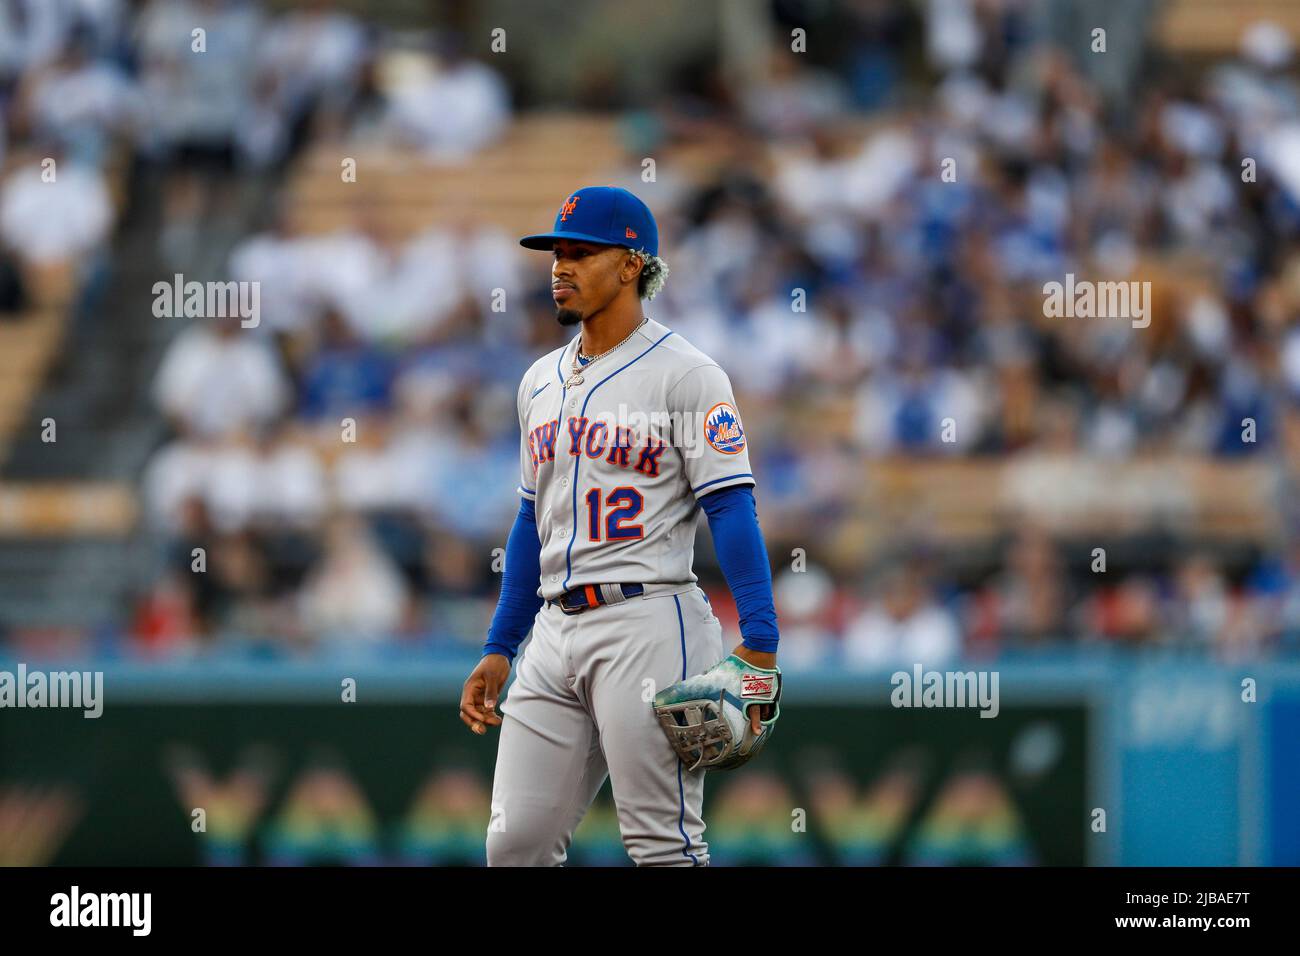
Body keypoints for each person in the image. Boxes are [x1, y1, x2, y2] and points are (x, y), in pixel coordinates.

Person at [458, 186, 779, 866]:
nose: (560, 267)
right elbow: (528, 519)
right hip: (551, 629)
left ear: (632, 264)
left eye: (580, 253)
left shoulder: (688, 375)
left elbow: (730, 506)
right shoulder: (538, 381)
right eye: (556, 254)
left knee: (661, 845)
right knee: (514, 845)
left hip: (649, 619)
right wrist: (500, 643)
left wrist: (762, 638)